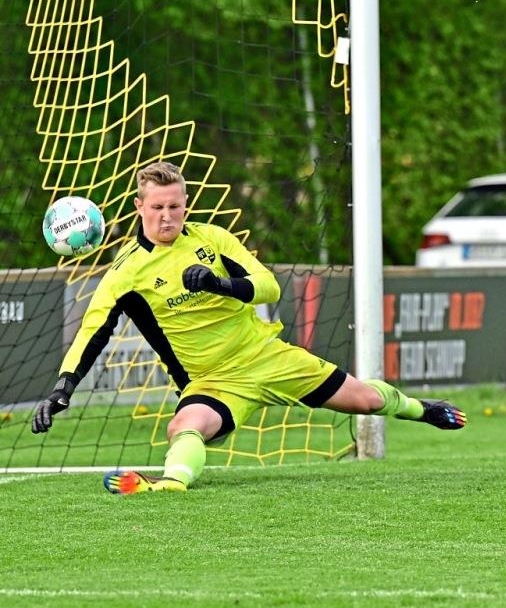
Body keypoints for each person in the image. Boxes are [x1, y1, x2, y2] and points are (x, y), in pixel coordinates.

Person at [31, 161, 467, 494]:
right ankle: (168, 487)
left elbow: (268, 286)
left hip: (266, 356)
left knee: (369, 401)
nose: (168, 216)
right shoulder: (126, 273)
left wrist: (222, 284)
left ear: (186, 204)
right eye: (158, 207)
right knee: (184, 425)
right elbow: (93, 331)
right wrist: (63, 389)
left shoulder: (212, 239)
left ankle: (421, 408)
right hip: (212, 381)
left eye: (175, 207)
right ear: (139, 207)